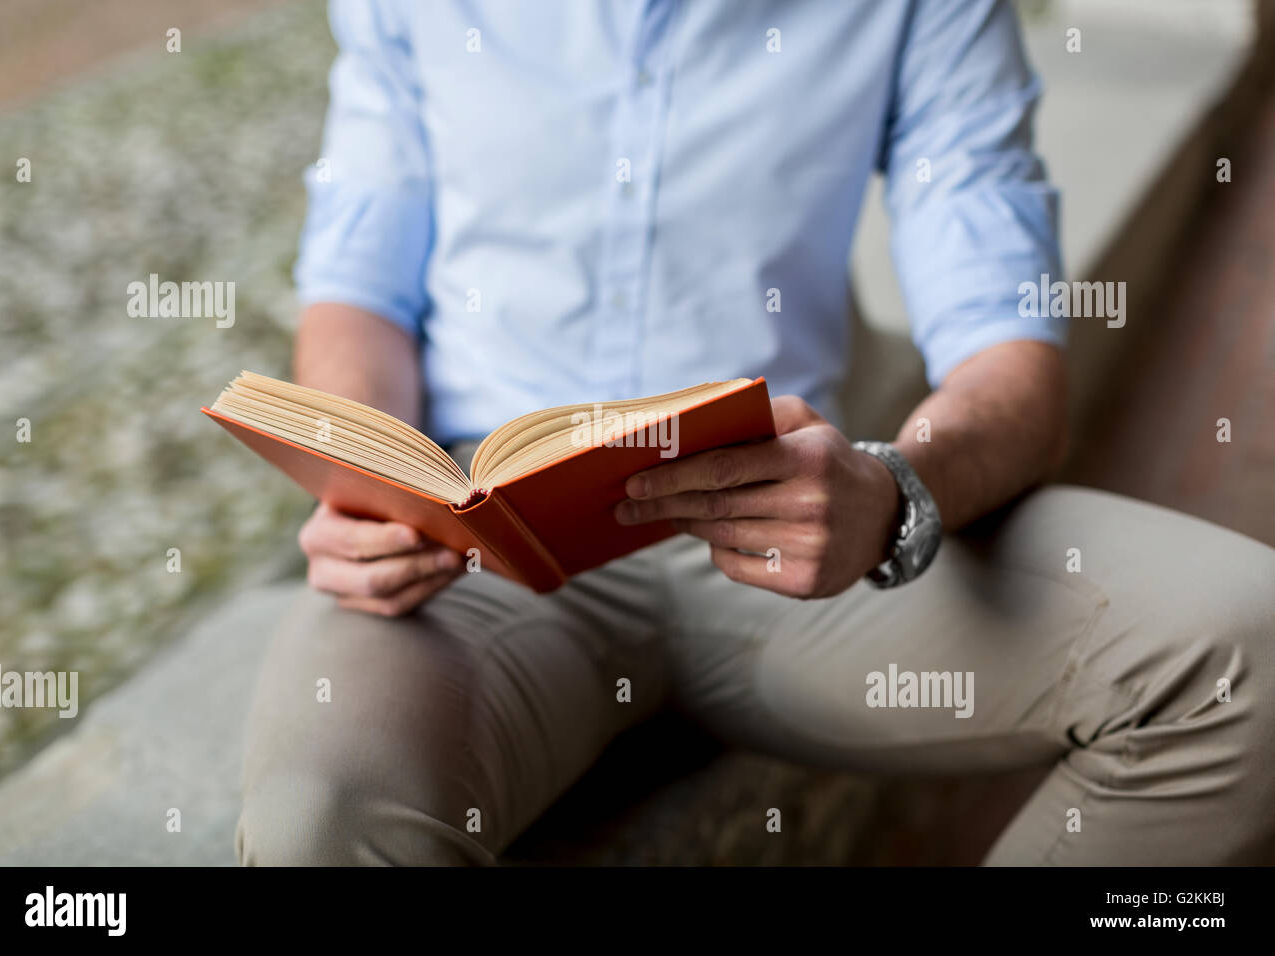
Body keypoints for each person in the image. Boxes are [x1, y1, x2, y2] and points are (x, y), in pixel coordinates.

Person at [235, 0, 1275, 865]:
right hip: (485, 555)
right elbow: (356, 298)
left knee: (1248, 649)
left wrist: (898, 492)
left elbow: (1008, 358)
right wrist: (367, 480)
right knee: (319, 822)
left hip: (799, 533)